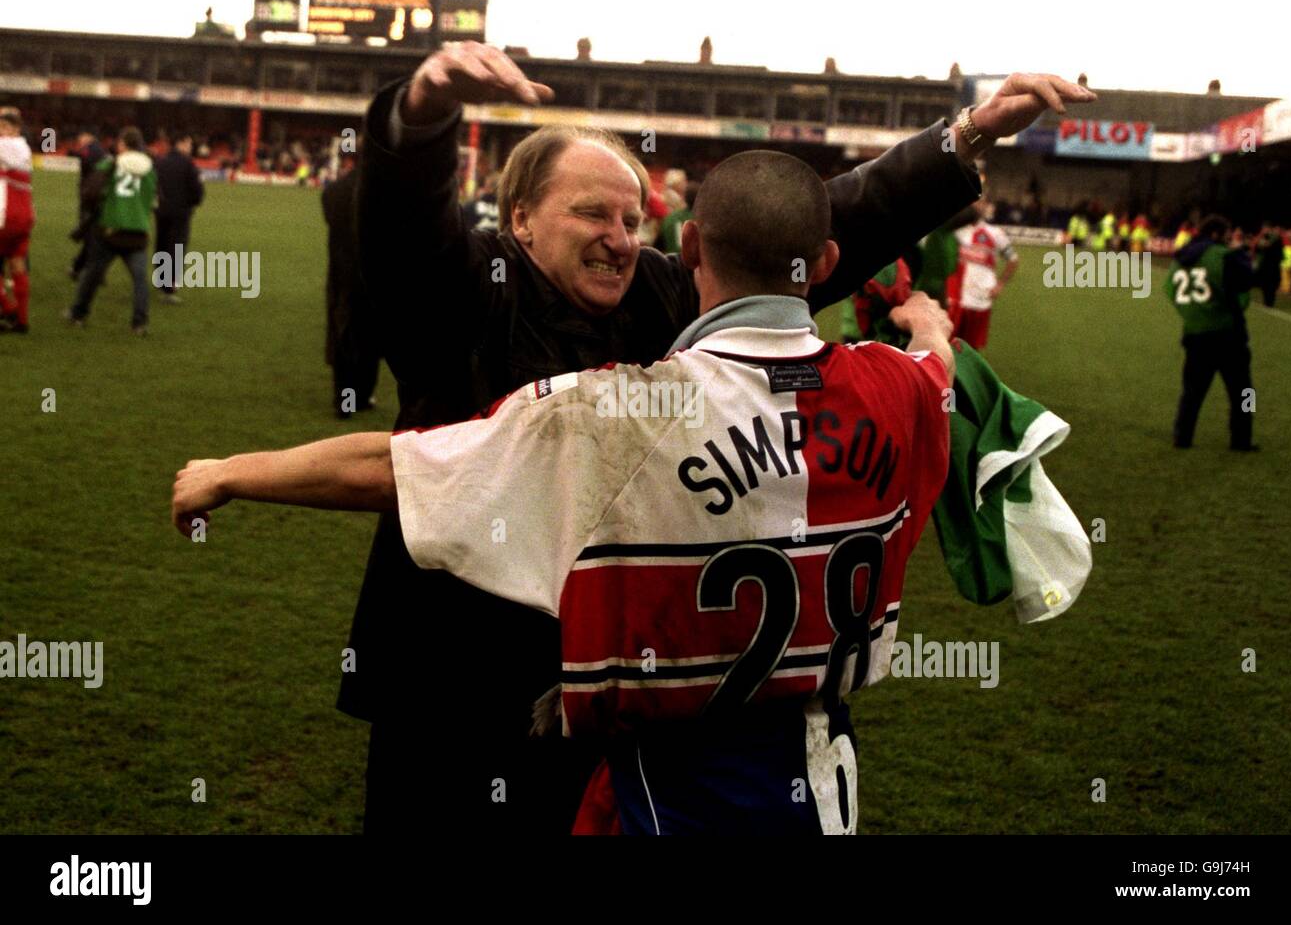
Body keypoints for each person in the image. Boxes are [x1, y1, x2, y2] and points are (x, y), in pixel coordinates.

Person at [346, 42, 1094, 835]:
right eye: (593, 213)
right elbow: (403, 224)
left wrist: (968, 136)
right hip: (453, 678)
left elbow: (799, 229)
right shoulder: (464, 293)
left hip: (608, 681)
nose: (621, 238)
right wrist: (422, 109)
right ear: (520, 216)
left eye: (633, 218)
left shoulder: (659, 295)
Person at [172, 149, 957, 834]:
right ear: (823, 265)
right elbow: (935, 370)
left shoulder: (614, 410)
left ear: (687, 244)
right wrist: (929, 326)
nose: (619, 238)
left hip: (674, 787)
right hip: (820, 778)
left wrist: (234, 471)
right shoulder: (896, 386)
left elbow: (396, 466)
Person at [1164, 215, 1257, 451]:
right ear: (1216, 234)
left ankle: (1182, 436)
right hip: (1228, 335)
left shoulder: (1181, 259)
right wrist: (1240, 252)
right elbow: (1247, 280)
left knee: (1192, 392)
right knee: (1245, 392)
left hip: (1195, 334)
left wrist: (1193, 314)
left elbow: (1169, 288)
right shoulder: (1223, 256)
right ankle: (1242, 438)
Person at [66, 127, 157, 335]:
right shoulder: (151, 168)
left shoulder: (111, 164)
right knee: (140, 280)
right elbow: (155, 198)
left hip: (110, 229)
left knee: (92, 274)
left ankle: (78, 314)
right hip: (138, 231)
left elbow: (92, 191)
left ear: (123, 144)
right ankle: (139, 323)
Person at [322, 167, 381, 418]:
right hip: (376, 276)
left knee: (344, 336)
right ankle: (362, 396)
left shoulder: (334, 190)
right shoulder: (385, 189)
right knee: (372, 338)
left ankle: (344, 401)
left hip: (342, 274)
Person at [951, 201, 1019, 349]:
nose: (976, 207)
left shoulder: (995, 233)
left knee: (971, 348)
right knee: (948, 344)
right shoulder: (956, 230)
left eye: (980, 203)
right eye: (973, 203)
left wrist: (1000, 285)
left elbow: (1013, 260)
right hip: (956, 298)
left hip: (980, 300)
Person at [153, 133, 204, 302]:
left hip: (161, 210)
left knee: (161, 244)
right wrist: (193, 202)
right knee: (176, 247)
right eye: (189, 143)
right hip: (181, 212)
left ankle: (160, 280)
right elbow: (196, 190)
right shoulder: (188, 164)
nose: (190, 147)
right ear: (181, 143)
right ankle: (169, 288)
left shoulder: (161, 161)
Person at [0, 107, 34, 334]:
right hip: (26, 216)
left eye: (4, 127)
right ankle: (21, 320)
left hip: (6, 215)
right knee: (17, 264)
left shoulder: (6, 145)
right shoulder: (25, 149)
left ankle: (9, 308)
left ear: (15, 129)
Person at [69, 127, 107, 281]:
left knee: (90, 235)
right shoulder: (101, 151)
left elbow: (86, 163)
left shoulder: (90, 150)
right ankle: (85, 269)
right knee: (93, 236)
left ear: (89, 136)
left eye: (82, 136)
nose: (80, 140)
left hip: (90, 195)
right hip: (98, 195)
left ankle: (85, 270)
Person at [656, 179, 698, 255]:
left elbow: (658, 246)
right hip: (695, 264)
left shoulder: (670, 218)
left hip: (670, 262)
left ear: (684, 198)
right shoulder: (703, 220)